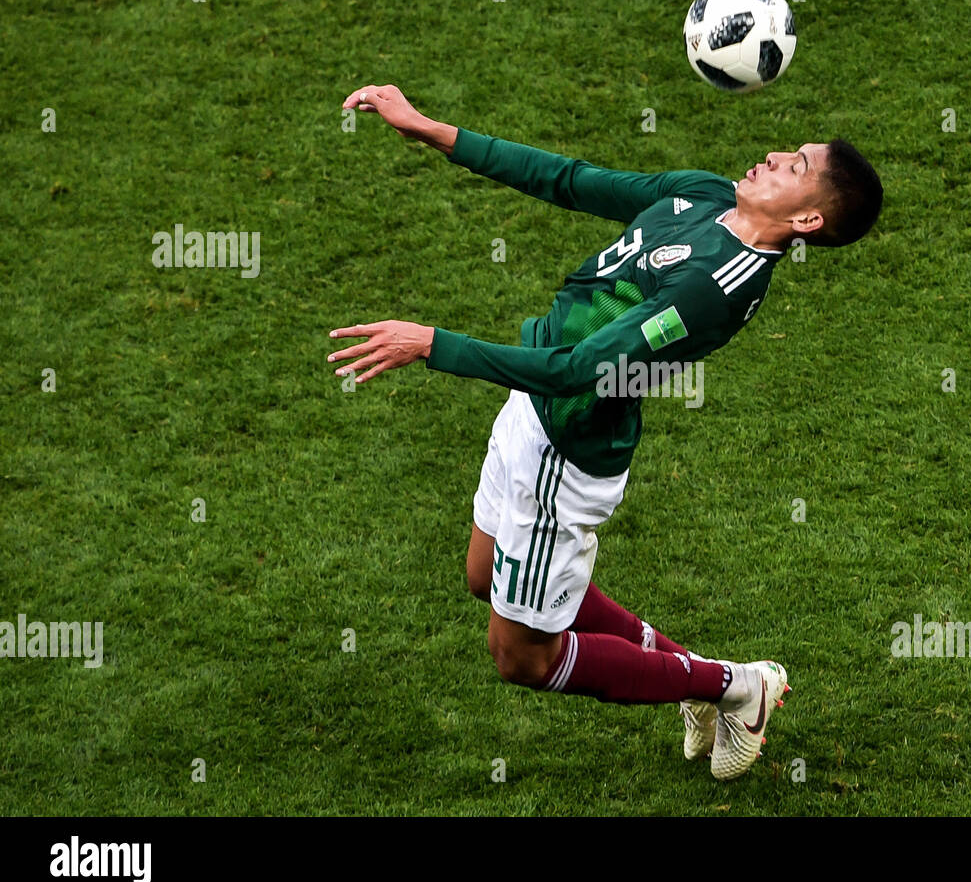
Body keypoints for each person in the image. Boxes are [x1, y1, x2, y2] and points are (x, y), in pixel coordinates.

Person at [327, 84, 882, 780]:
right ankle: (722, 683)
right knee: (482, 577)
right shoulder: (706, 194)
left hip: (567, 449)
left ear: (805, 218)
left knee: (521, 656)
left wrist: (432, 343)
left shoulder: (716, 288)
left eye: (795, 165)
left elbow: (579, 370)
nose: (772, 156)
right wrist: (433, 131)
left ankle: (730, 687)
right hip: (535, 409)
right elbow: (571, 179)